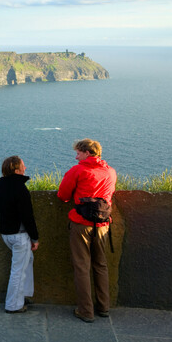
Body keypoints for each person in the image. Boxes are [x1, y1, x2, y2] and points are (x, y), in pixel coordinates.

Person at [57, 138, 117, 323]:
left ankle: (85, 310)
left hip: (81, 224)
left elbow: (63, 195)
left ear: (87, 153)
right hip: (102, 225)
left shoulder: (79, 170)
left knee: (82, 266)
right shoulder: (110, 172)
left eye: (78, 153)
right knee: (101, 265)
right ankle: (103, 307)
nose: (76, 157)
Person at [0, 156, 39, 313]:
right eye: (23, 166)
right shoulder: (21, 189)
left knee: (27, 261)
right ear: (16, 169)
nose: (25, 168)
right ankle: (13, 305)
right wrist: (35, 238)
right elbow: (28, 216)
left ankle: (24, 295)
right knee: (18, 270)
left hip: (6, 234)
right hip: (19, 235)